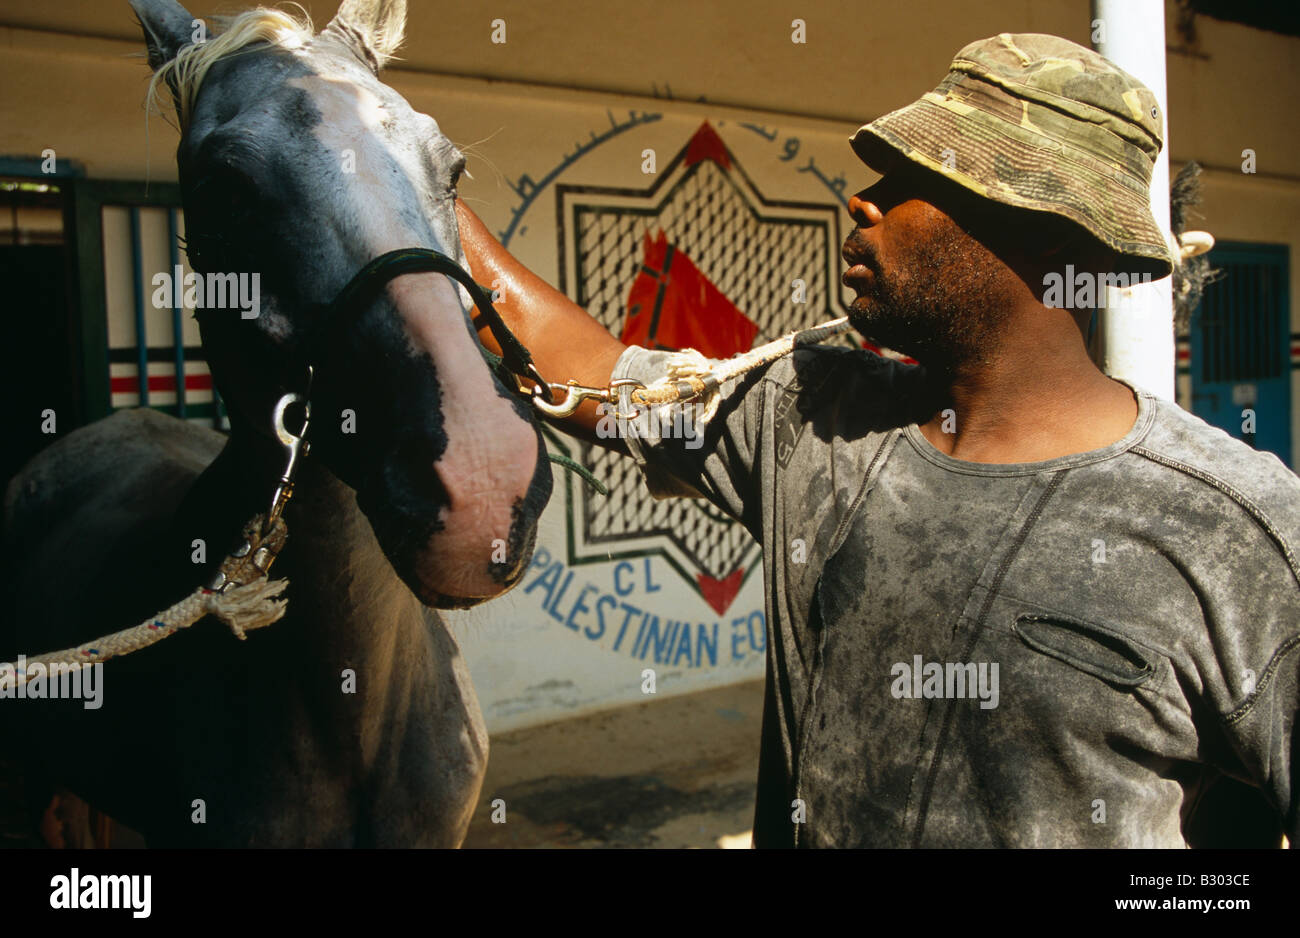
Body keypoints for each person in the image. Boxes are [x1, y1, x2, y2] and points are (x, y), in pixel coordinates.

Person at [454, 33, 1300, 847]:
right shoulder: (810, 418)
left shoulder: (1236, 531)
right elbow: (586, 370)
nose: (864, 200)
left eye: (916, 176)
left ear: (1051, 230)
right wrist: (401, 180)